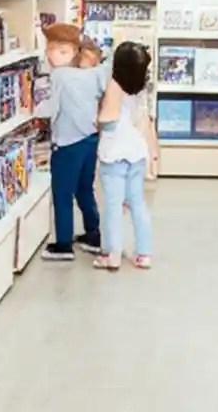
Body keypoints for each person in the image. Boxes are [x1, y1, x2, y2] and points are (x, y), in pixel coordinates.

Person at [37, 23, 108, 261]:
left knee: (62, 193)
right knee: (84, 189)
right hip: (90, 138)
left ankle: (64, 243)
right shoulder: (95, 74)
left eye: (56, 50)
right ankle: (93, 234)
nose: (49, 55)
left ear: (70, 52)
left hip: (67, 142)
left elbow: (51, 110)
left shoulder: (59, 76)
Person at [93, 41, 156, 271]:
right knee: (138, 203)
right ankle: (144, 253)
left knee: (113, 206)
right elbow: (144, 121)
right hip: (136, 152)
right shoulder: (140, 90)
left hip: (114, 155)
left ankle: (113, 254)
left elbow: (107, 121)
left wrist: (96, 120)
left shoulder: (114, 87)